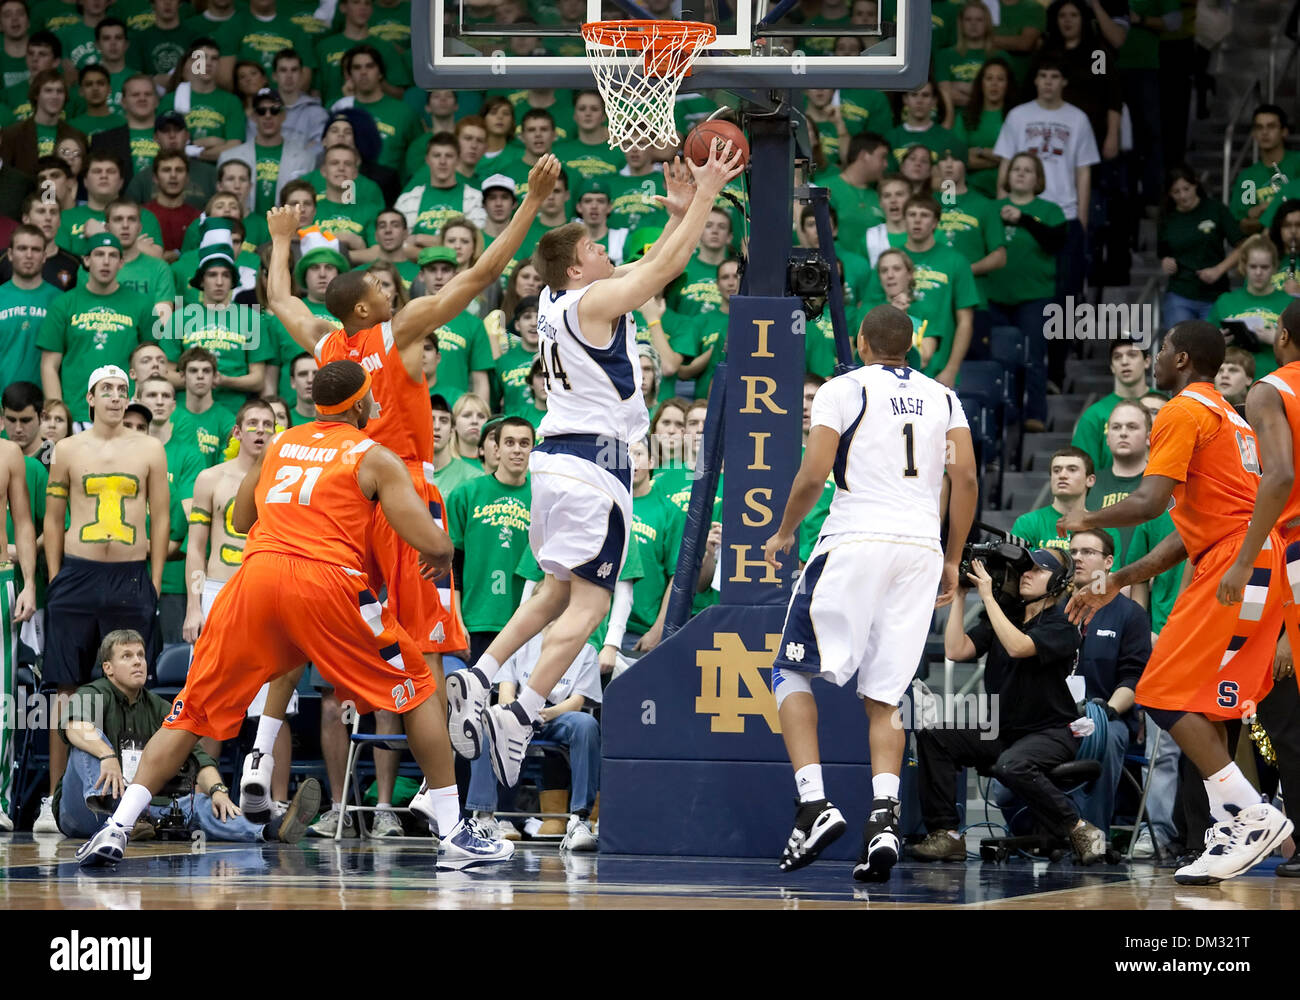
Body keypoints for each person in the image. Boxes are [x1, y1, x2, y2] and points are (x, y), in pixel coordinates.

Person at [246, 157, 560, 848]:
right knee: (431, 660)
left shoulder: (329, 345)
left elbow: (281, 300)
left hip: (347, 506)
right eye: (384, 289)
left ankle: (262, 746)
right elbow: (479, 279)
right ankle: (446, 804)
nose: (398, 292)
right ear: (368, 308)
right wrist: (528, 205)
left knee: (325, 637)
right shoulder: (399, 333)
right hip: (403, 494)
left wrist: (278, 242)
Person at [74, 360, 460, 866]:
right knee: (416, 687)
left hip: (254, 580)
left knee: (190, 711)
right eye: (371, 398)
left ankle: (118, 826)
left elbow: (239, 518)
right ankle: (456, 830)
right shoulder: (374, 456)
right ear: (360, 404)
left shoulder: (279, 443)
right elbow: (426, 538)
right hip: (325, 580)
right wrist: (444, 552)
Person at [445, 141, 744, 788]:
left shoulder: (558, 304)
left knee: (554, 589)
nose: (609, 254)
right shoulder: (591, 304)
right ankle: (520, 714)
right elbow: (665, 271)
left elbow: (655, 259)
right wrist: (710, 194)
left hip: (556, 463)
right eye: (597, 251)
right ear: (578, 270)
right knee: (591, 600)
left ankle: (479, 675)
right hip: (592, 466)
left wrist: (679, 212)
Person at [1060, 320, 1293, 885]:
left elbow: (1147, 501)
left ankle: (1251, 811)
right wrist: (1119, 580)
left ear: (1182, 359)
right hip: (1257, 556)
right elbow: (1185, 530)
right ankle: (1231, 819)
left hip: (1235, 560)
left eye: (1160, 349)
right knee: (1207, 705)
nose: (1155, 356)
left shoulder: (1182, 411)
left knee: (1160, 689)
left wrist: (1087, 516)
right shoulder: (1227, 416)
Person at [759, 305, 978, 879]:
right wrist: (952, 558)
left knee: (789, 671)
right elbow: (968, 480)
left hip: (856, 538)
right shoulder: (945, 398)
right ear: (914, 346)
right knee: (884, 694)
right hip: (920, 551)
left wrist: (784, 531)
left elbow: (813, 473)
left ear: (860, 341)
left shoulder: (842, 388)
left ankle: (813, 803)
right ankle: (883, 820)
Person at [35, 365, 168, 836]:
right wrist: (56, 577)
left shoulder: (150, 447)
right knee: (64, 689)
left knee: (134, 684)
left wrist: (151, 581)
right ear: (89, 398)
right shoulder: (68, 449)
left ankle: (137, 801)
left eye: (121, 390)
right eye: (106, 390)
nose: (115, 397)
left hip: (130, 578)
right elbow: (53, 519)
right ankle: (55, 802)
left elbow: (161, 518)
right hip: (78, 573)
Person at [916, 547, 1106, 863]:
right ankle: (946, 835)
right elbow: (956, 649)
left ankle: (1081, 828)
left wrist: (988, 597)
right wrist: (962, 595)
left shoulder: (1062, 624)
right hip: (1005, 731)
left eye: (1039, 570)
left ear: (1059, 581)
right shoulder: (1007, 616)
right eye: (1026, 569)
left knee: (1011, 765)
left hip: (1051, 732)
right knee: (935, 736)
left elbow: (1019, 647)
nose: (1027, 574)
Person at [55, 628, 322, 842]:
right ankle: (120, 816)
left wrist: (218, 791)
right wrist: (107, 755)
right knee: (87, 745)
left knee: (206, 805)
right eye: (126, 656)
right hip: (83, 812)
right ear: (108, 668)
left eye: (140, 655)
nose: (137, 661)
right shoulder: (91, 693)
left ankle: (270, 829)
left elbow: (198, 755)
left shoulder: (159, 706)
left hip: (146, 813)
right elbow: (73, 726)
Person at [36, 232, 154, 429]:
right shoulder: (64, 303)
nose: (106, 261)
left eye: (113, 255)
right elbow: (49, 366)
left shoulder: (141, 304)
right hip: (77, 413)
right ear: (87, 260)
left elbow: (152, 361)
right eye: (99, 254)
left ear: (121, 262)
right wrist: (59, 414)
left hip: (125, 413)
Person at [0, 432, 38, 830]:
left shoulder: (8, 453)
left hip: (0, 579)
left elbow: (24, 521)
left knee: (2, 696)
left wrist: (28, 583)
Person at [1158, 166, 1244, 328]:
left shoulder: (1215, 209)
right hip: (1180, 291)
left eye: (1186, 189)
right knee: (1182, 345)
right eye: (1176, 192)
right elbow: (1163, 253)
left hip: (1214, 293)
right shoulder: (1167, 217)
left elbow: (1243, 245)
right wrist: (1166, 262)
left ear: (1195, 184)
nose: (1183, 196)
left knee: (1212, 348)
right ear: (1169, 194)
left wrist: (1219, 269)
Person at [1071, 340, 1151, 470]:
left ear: (1147, 361)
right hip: (1107, 489)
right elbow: (1083, 472)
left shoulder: (1165, 405)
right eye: (1117, 357)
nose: (1124, 362)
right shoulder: (1094, 415)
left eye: (1132, 354)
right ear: (1112, 367)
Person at [0, 225, 61, 390]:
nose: (28, 255)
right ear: (10, 254)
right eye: (22, 248)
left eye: (35, 249)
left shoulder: (60, 300)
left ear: (44, 256)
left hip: (45, 404)